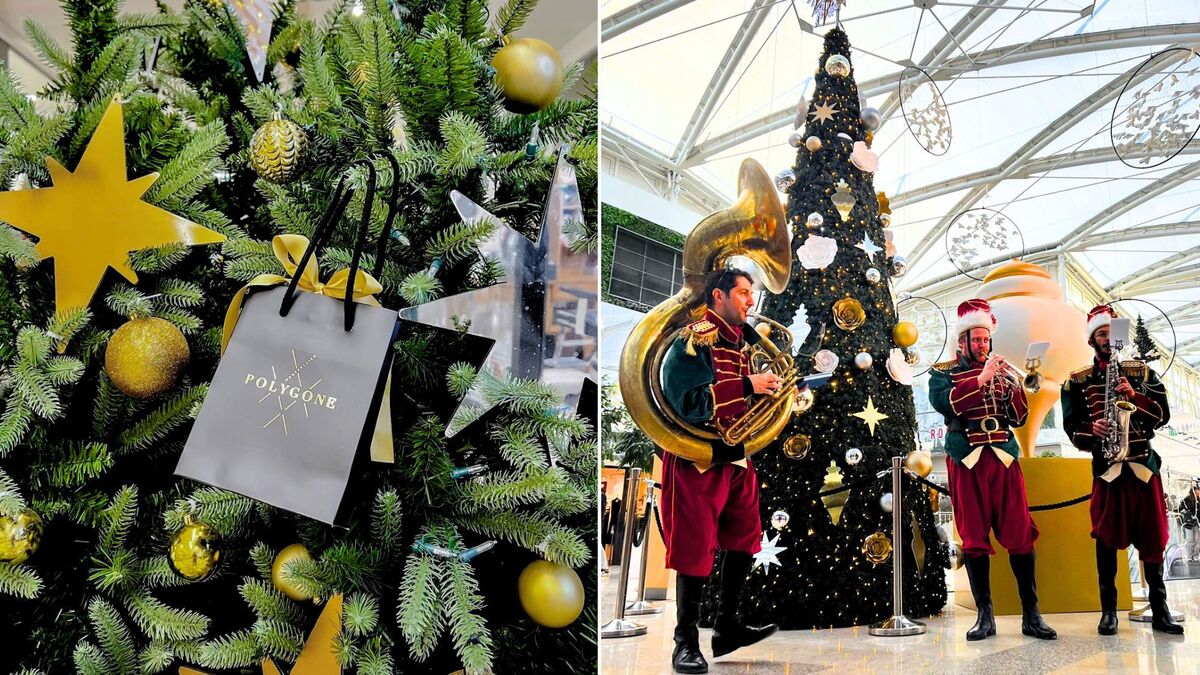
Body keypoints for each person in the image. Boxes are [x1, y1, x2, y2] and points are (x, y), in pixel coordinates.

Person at [659, 268, 781, 674]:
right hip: (698, 458)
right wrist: (748, 386)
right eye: (743, 293)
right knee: (694, 549)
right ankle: (684, 642)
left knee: (745, 538)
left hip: (738, 456)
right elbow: (687, 402)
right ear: (718, 296)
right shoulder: (694, 339)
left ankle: (727, 626)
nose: (750, 300)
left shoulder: (744, 342)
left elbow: (745, 398)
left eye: (751, 293)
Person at [929, 299, 1056, 642]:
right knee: (973, 537)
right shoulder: (943, 373)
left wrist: (1015, 387)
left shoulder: (1005, 371)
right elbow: (945, 403)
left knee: (1019, 534)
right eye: (977, 340)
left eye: (986, 340)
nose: (983, 345)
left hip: (1002, 457)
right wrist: (982, 379)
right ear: (962, 341)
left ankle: (1032, 613)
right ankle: (985, 615)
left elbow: (1018, 418)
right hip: (967, 459)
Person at [1061, 304, 1183, 635]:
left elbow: (1163, 415)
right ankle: (1109, 611)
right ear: (1092, 340)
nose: (1106, 339)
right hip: (1108, 470)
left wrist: (1136, 397)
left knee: (1154, 539)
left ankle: (1161, 610)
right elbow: (1072, 429)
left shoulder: (1141, 373)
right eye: (1101, 333)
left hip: (1143, 468)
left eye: (1111, 333)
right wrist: (1093, 429)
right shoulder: (1076, 382)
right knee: (1105, 540)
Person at [1182, 483, 1200, 563]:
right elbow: (1182, 510)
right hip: (1188, 524)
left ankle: (1195, 555)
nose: (1198, 492)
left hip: (1197, 523)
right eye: (1197, 490)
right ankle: (1189, 556)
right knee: (1190, 540)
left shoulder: (1199, 500)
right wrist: (1190, 514)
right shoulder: (1186, 500)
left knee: (1197, 540)